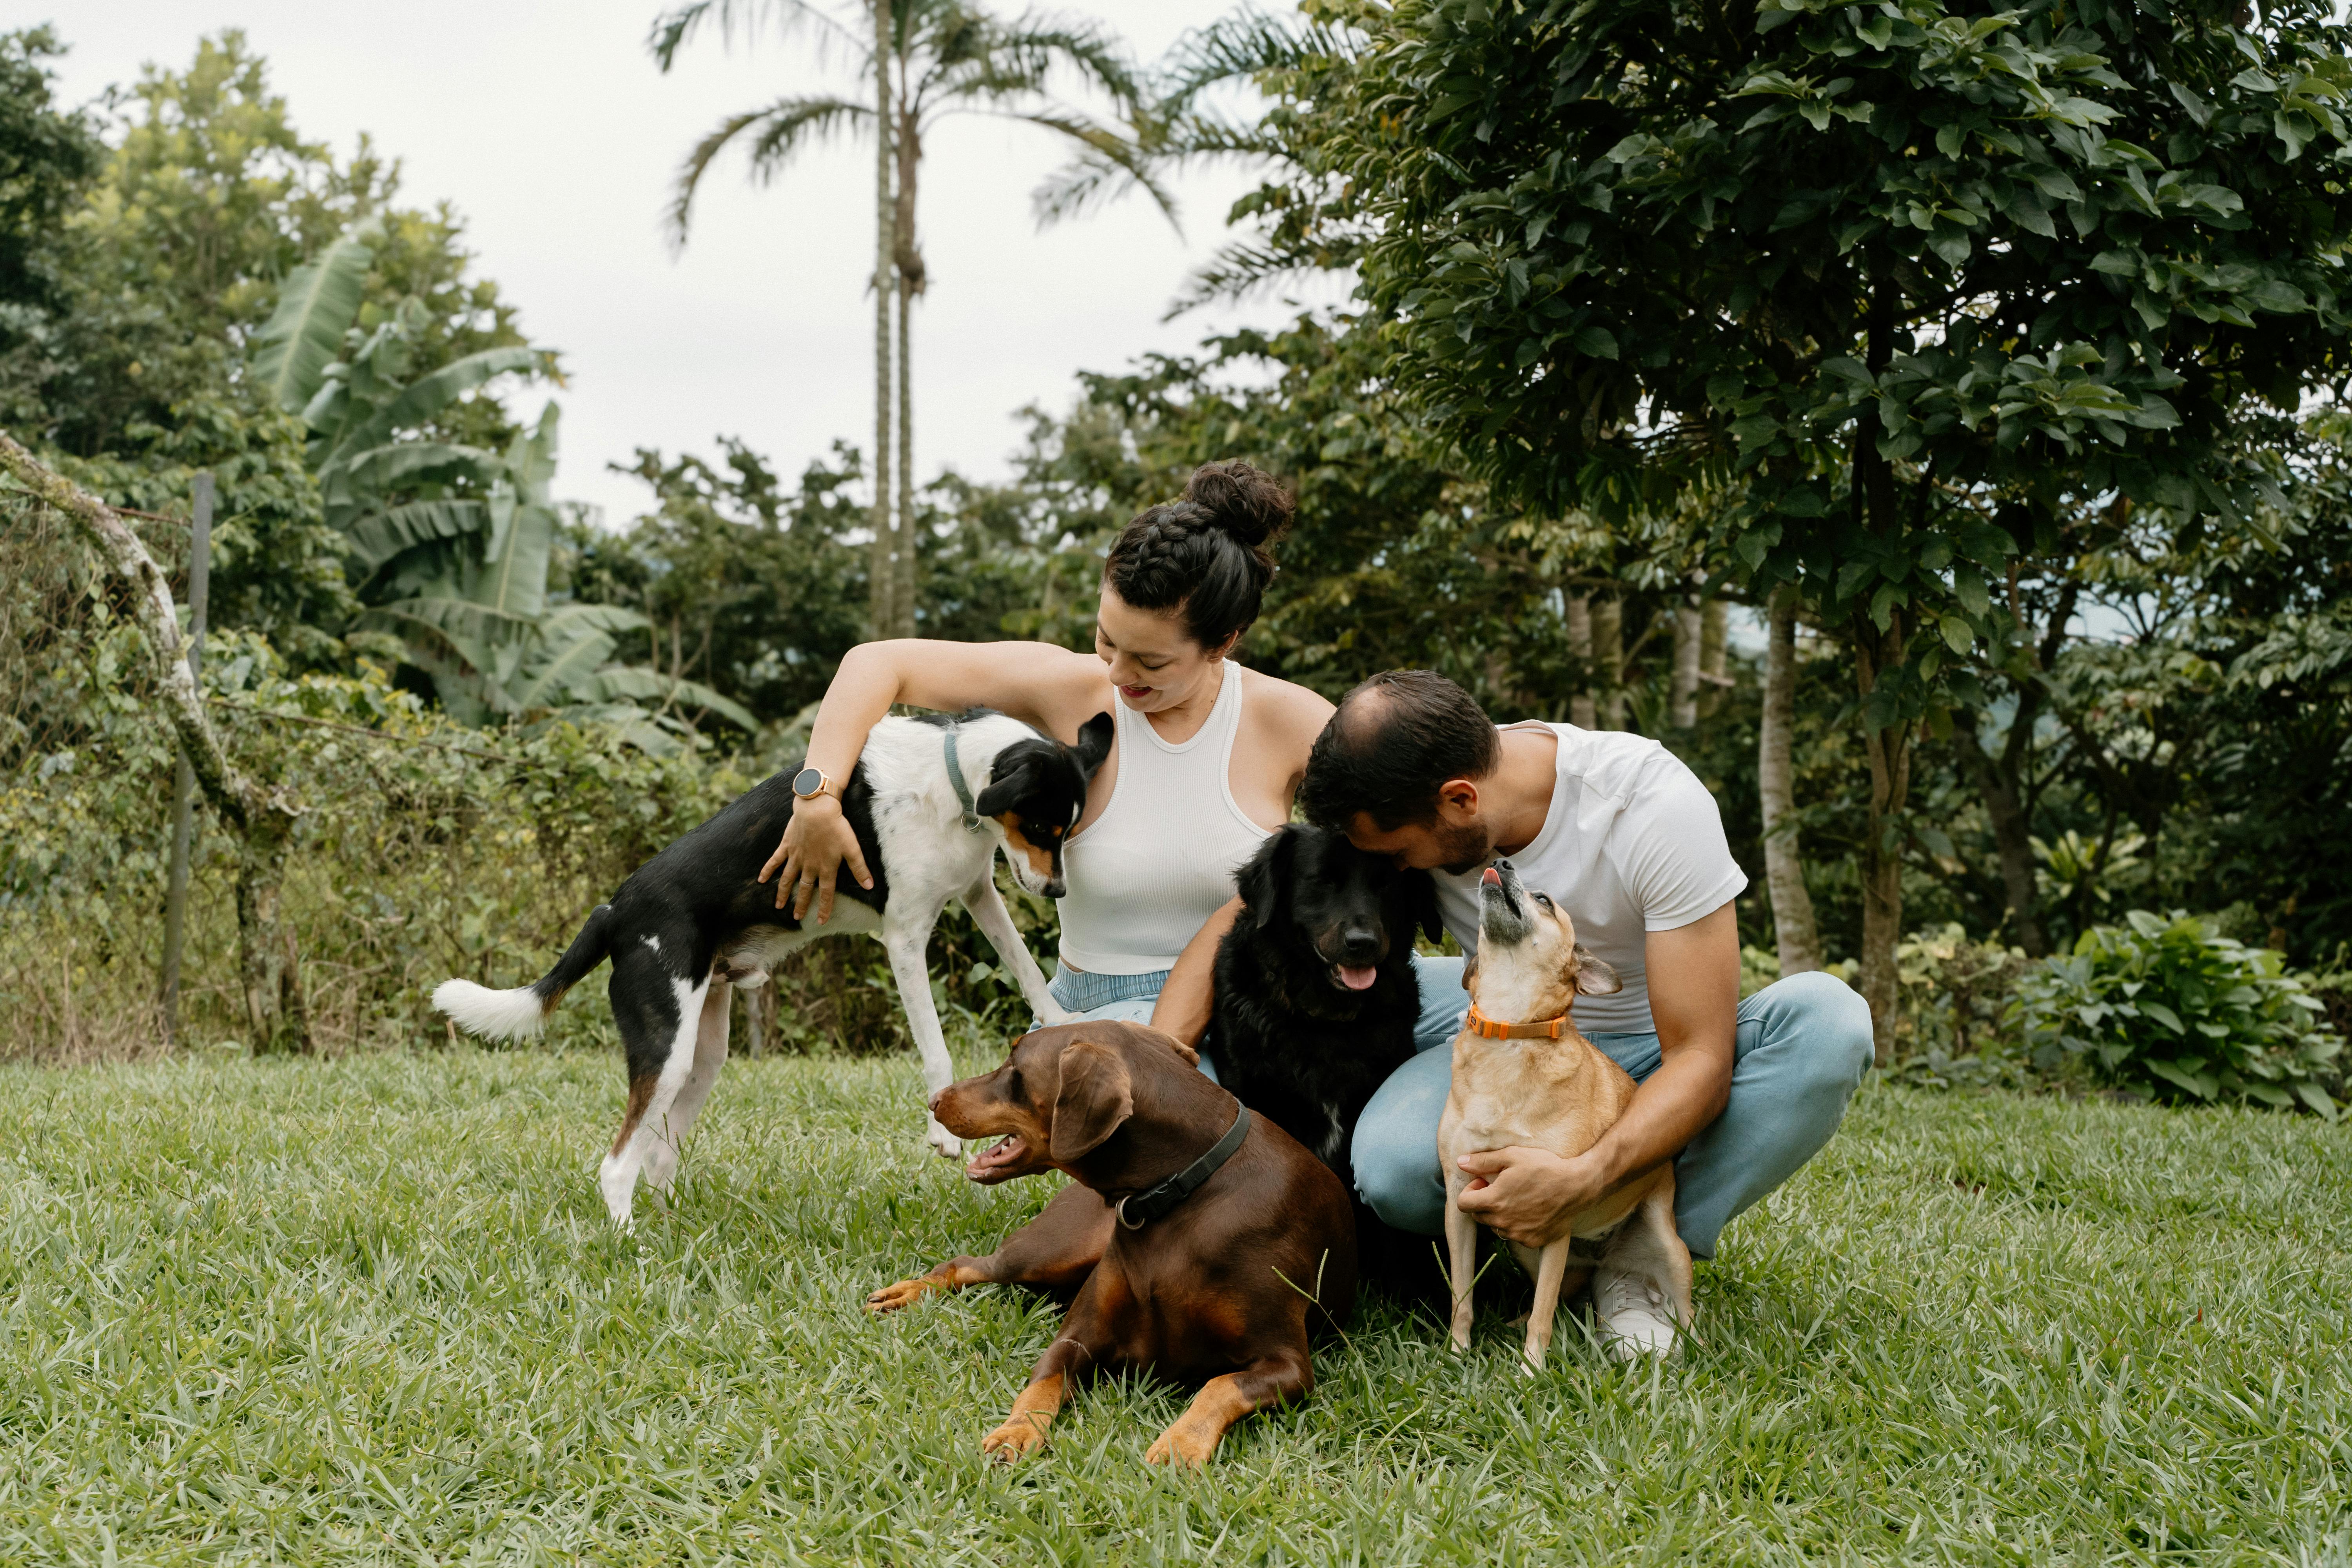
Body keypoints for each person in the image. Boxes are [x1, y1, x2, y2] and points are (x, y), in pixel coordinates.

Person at [1285, 669, 1873, 1353]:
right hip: (1508, 1034)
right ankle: (1533, 1246)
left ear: (1460, 799)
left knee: (1830, 1021)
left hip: (1649, 1046)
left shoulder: (1649, 805)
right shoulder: (1412, 781)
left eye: (1397, 854)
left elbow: (1701, 1058)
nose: (1396, 869)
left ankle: (1625, 1248)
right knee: (1392, 1167)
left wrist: (1583, 1178)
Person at [760, 460, 1333, 1038]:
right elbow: (877, 664)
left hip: (1253, 1000)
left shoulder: (1288, 718)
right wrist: (818, 798)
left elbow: (1402, 811)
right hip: (1103, 1015)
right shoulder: (1068, 687)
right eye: (1107, 640)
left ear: (1224, 643)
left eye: (1150, 662)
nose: (1118, 671)